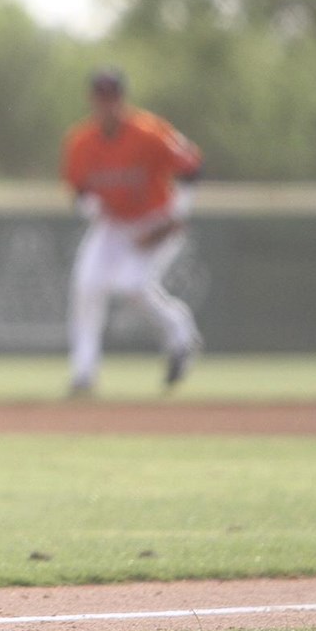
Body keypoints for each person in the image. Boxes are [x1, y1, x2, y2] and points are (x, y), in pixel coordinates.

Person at [60, 67, 204, 396]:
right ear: (92, 101)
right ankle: (83, 372)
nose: (106, 105)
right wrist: (92, 207)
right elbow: (79, 190)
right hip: (113, 224)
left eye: (112, 98)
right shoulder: (81, 141)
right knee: (86, 286)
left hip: (156, 218)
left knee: (132, 286)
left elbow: (193, 167)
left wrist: (176, 216)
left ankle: (179, 331)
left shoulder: (149, 132)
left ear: (122, 100)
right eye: (101, 98)